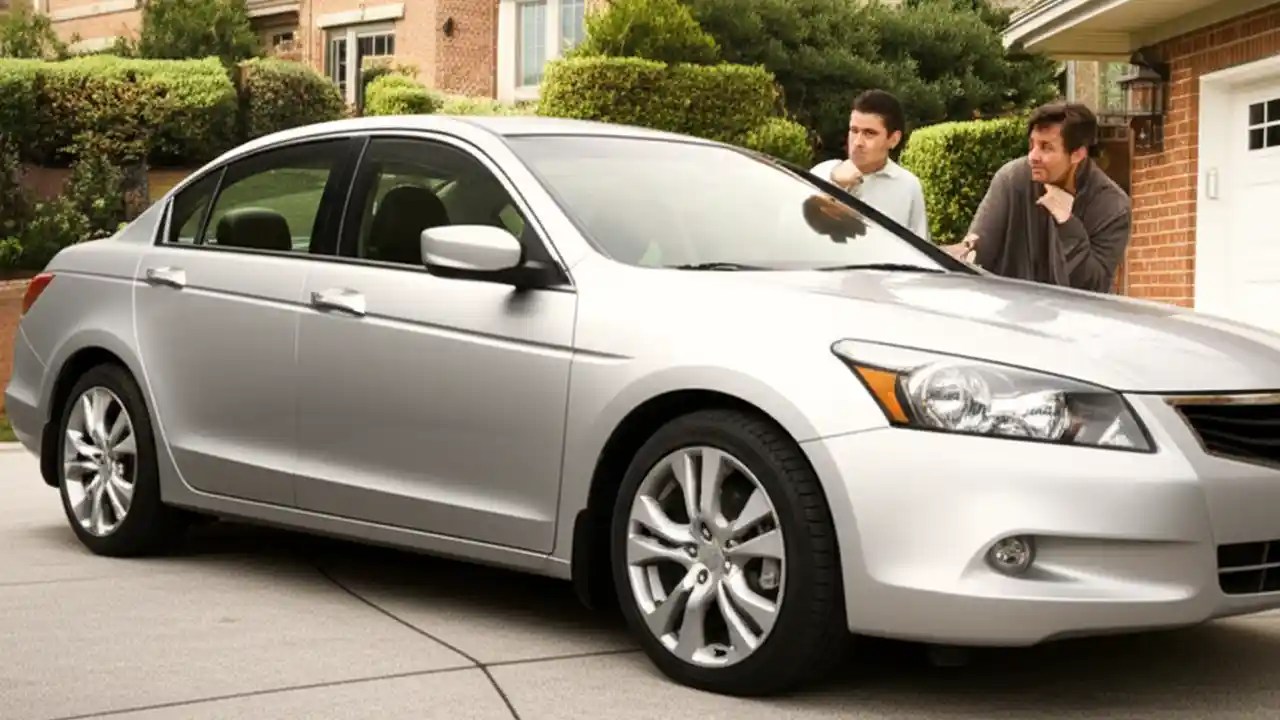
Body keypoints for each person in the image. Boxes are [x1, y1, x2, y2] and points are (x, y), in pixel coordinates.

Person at [943, 101, 1132, 293]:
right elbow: (977, 249)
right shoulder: (1012, 180)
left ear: (1077, 154)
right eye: (1032, 145)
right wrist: (961, 250)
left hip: (1073, 318)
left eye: (1046, 147)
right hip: (1011, 311)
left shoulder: (1112, 206)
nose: (1033, 156)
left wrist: (1067, 224)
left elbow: (1093, 287)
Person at [810, 90, 930, 240]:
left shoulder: (907, 186)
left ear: (893, 139)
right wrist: (834, 185)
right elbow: (798, 229)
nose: (858, 142)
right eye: (854, 131)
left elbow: (919, 251)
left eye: (869, 133)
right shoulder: (823, 172)